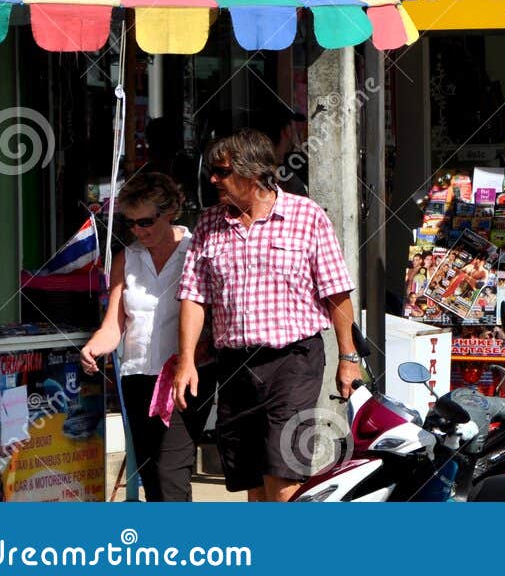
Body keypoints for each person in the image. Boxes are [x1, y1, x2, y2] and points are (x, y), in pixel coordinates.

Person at [172, 129, 360, 502]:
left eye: (221, 171)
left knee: (282, 470)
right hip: (236, 366)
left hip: (293, 361)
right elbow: (194, 297)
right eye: (212, 171)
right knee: (252, 477)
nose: (213, 180)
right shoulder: (209, 225)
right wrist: (186, 360)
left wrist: (348, 357)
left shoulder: (306, 216)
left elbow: (335, 292)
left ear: (253, 171)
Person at [79, 174, 209, 501]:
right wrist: (95, 346)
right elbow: (114, 325)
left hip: (184, 375)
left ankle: (183, 549)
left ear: (171, 212)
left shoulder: (197, 251)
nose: (138, 230)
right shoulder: (127, 259)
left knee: (170, 471)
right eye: (130, 223)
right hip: (138, 376)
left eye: (146, 221)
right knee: (152, 475)